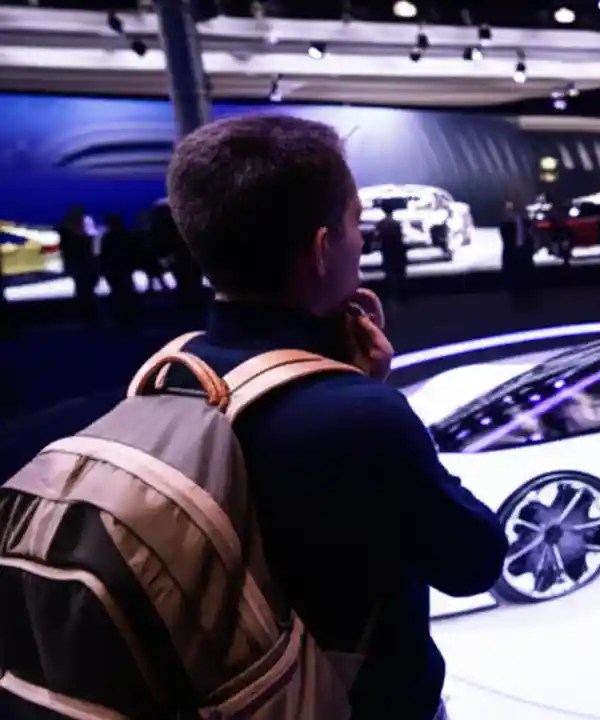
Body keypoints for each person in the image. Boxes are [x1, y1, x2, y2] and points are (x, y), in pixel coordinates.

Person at [163, 115, 507, 718]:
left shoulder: (171, 371)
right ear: (324, 249)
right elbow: (473, 560)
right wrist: (368, 396)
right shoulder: (360, 419)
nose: (362, 243)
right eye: (357, 226)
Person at [57, 205, 100, 325]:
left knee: (84, 290)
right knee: (84, 290)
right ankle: (89, 317)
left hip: (83, 266)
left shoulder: (75, 235)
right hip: (82, 266)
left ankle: (89, 317)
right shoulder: (74, 236)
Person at [98, 212, 141, 332]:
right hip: (120, 269)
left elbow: (104, 255)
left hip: (117, 270)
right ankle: (127, 320)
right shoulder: (124, 236)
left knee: (120, 294)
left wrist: (103, 269)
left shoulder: (109, 237)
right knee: (124, 293)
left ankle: (125, 320)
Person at [374, 200, 407, 305]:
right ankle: (402, 297)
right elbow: (400, 237)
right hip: (398, 250)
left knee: (390, 274)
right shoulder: (396, 223)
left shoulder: (381, 224)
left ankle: (392, 297)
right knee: (400, 274)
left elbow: (377, 238)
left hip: (387, 251)